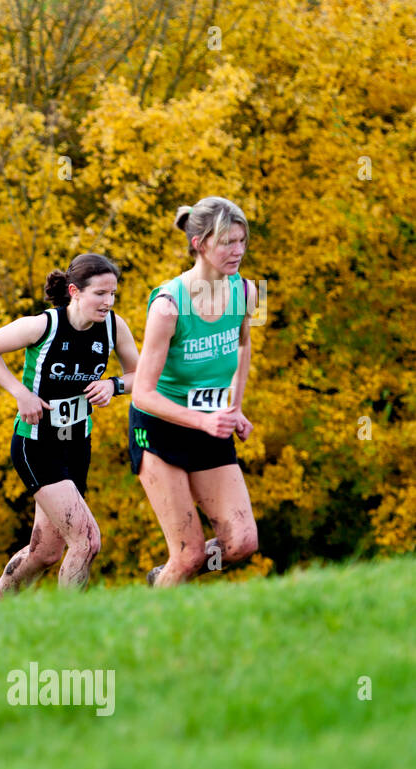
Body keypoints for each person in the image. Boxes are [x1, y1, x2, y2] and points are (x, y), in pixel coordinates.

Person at [0, 253, 139, 597]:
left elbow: (141, 375)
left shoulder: (113, 327)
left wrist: (113, 385)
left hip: (77, 445)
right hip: (37, 443)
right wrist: (21, 394)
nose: (108, 302)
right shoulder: (43, 325)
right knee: (87, 539)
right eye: (100, 294)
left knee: (45, 552)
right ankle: (71, 624)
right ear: (75, 291)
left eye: (113, 294)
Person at [130, 197, 259, 586]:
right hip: (160, 429)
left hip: (212, 425)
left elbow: (242, 346)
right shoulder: (168, 307)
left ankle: (166, 577)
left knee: (241, 543)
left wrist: (234, 408)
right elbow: (141, 393)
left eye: (241, 241)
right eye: (227, 243)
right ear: (199, 244)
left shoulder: (250, 291)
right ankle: (156, 614)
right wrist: (203, 420)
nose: (237, 252)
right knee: (188, 555)